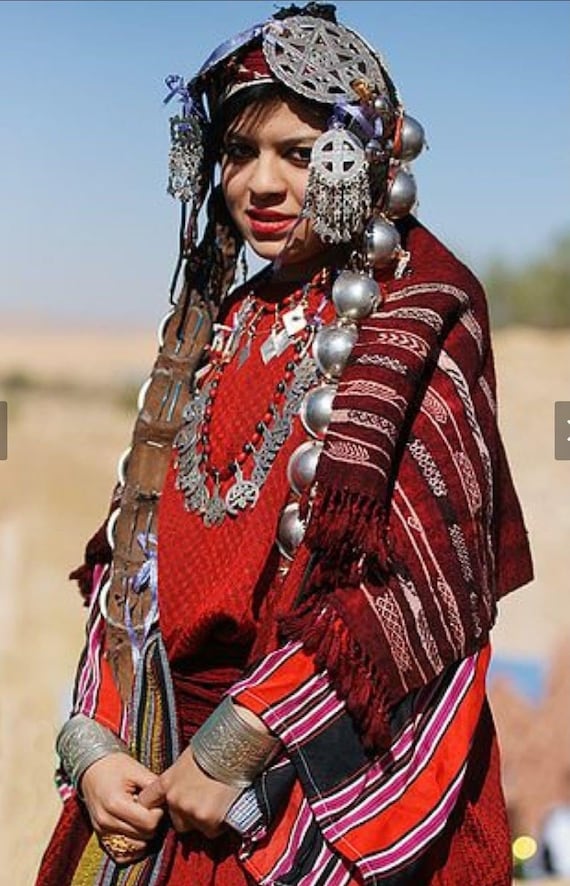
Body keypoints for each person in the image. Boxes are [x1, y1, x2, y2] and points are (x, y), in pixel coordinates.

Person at [36, 3, 533, 884]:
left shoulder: (417, 317)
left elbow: (424, 587)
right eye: (238, 153)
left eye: (299, 154)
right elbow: (129, 566)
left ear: (365, 161)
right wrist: (97, 748)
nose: (259, 185)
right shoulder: (215, 324)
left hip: (307, 791)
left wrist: (239, 739)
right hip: (163, 793)